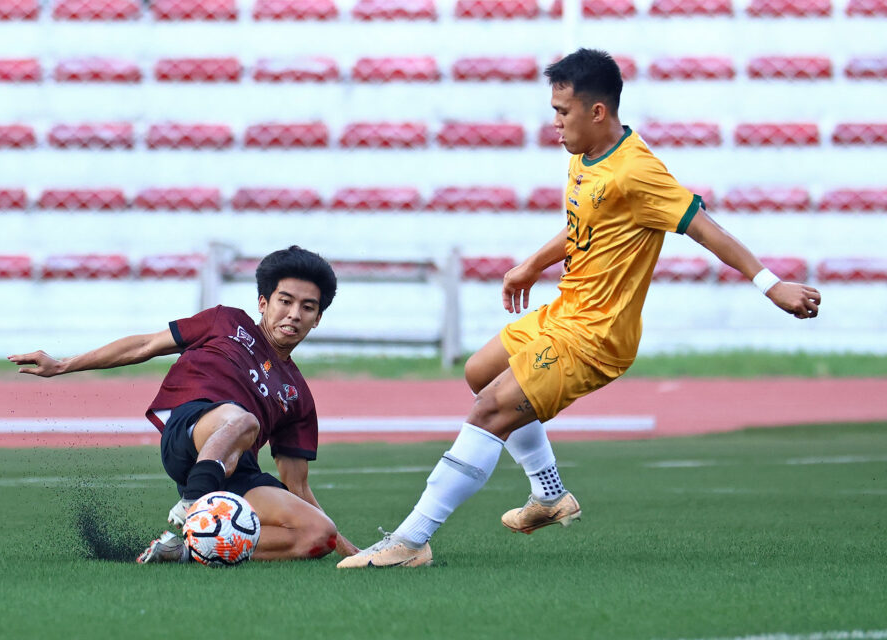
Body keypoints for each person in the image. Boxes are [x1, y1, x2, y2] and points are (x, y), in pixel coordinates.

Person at [338, 48, 821, 569]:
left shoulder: (638, 171)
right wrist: (531, 265)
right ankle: (550, 496)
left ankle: (411, 541)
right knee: (481, 373)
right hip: (567, 309)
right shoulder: (582, 156)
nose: (554, 123)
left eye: (562, 111)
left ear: (597, 112)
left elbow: (703, 226)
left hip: (597, 335)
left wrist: (770, 284)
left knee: (490, 412)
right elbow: (582, 226)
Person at [9, 245, 359, 563]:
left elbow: (297, 487)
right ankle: (194, 503)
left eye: (307, 307)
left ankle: (188, 549)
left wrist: (353, 552)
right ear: (264, 303)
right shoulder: (226, 322)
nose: (294, 314)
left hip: (236, 470)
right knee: (244, 421)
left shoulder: (297, 395)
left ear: (317, 318)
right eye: (285, 301)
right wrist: (64, 365)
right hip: (190, 433)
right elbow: (144, 345)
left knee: (317, 535)